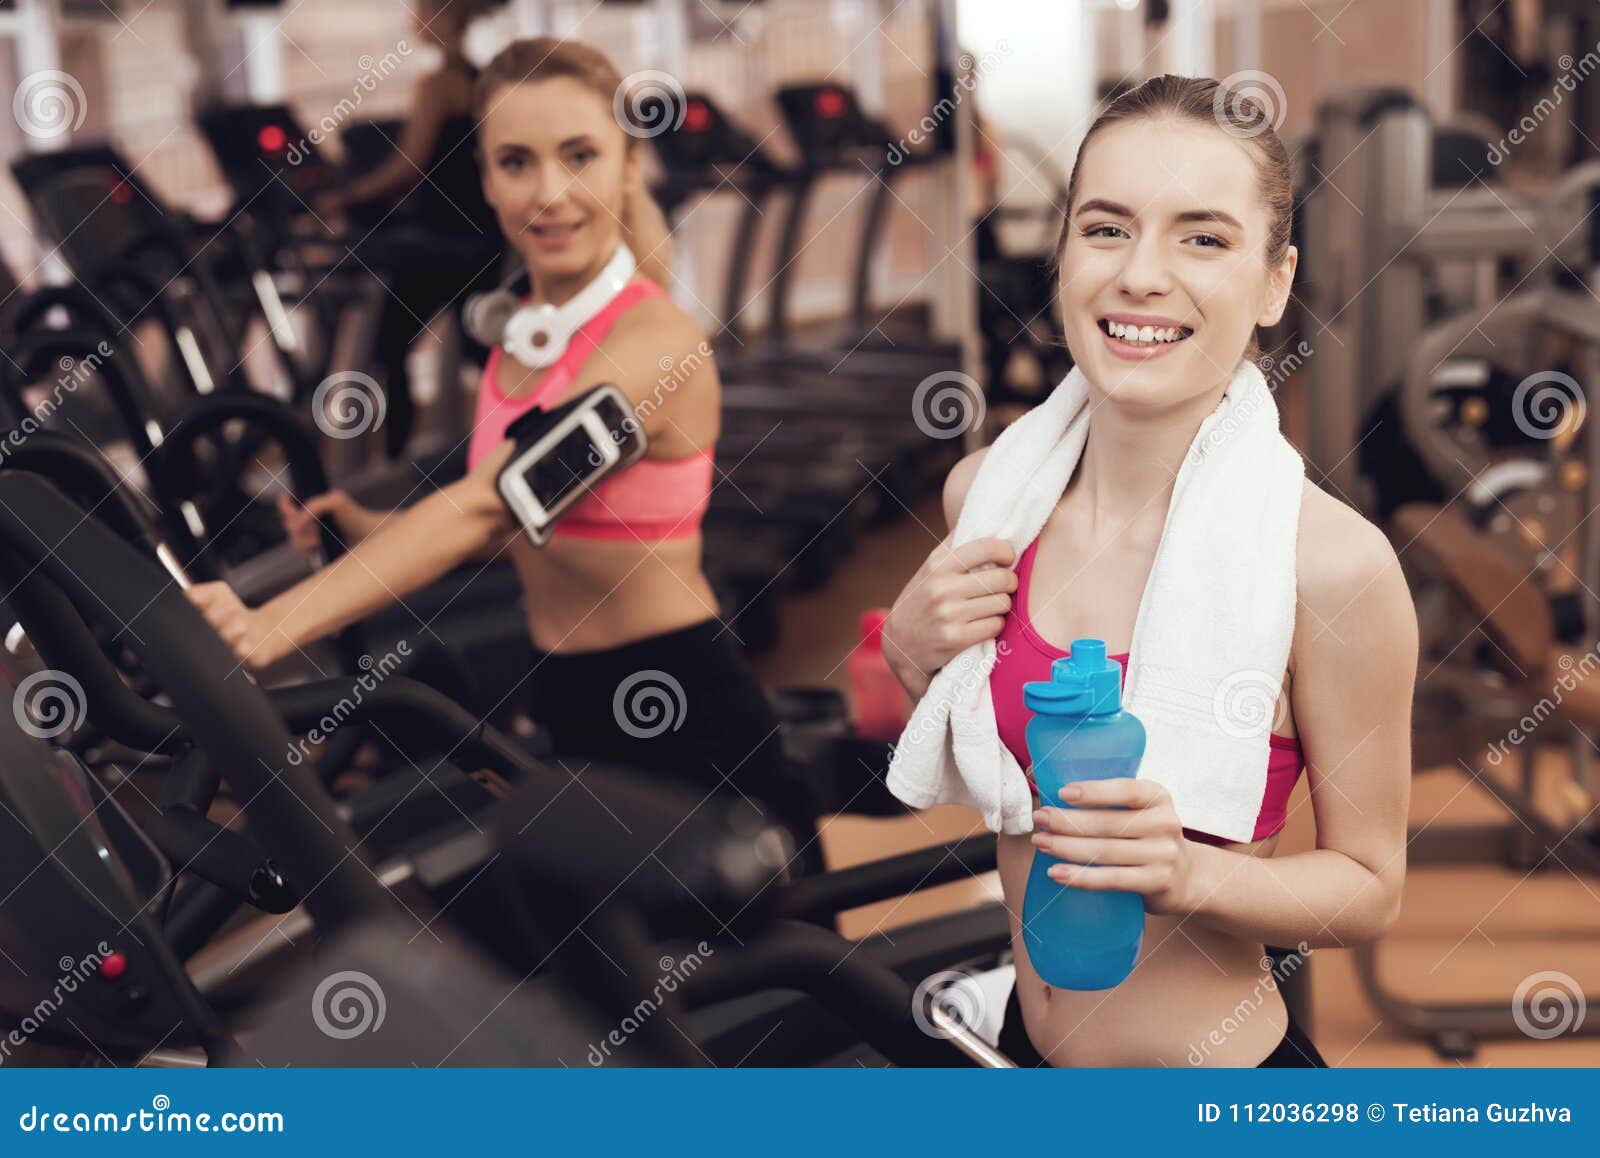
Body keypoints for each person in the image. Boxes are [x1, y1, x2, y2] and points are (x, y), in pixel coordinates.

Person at [882, 75, 1417, 1067]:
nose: (1140, 275)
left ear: (1273, 282)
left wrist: (1186, 874)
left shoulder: (1333, 566)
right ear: (1064, 254)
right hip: (1020, 1047)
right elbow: (938, 730)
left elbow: (1369, 884)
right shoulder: (989, 499)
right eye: (1106, 228)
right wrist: (907, 653)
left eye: (1202, 238)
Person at [188, 37, 797, 832]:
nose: (550, 193)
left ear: (625, 163)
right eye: (517, 162)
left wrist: (271, 625)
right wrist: (366, 529)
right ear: (484, 177)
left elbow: (488, 504)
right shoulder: (523, 339)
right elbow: (518, 524)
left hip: (683, 715)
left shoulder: (658, 348)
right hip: (570, 704)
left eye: (580, 155)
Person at [317, 0, 505, 458]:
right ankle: (506, 443)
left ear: (440, 16)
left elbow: (408, 166)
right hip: (481, 237)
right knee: (483, 352)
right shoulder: (483, 81)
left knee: (389, 349)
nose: (412, 19)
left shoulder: (437, 86)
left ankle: (394, 461)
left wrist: (347, 196)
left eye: (419, 9)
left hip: (440, 246)